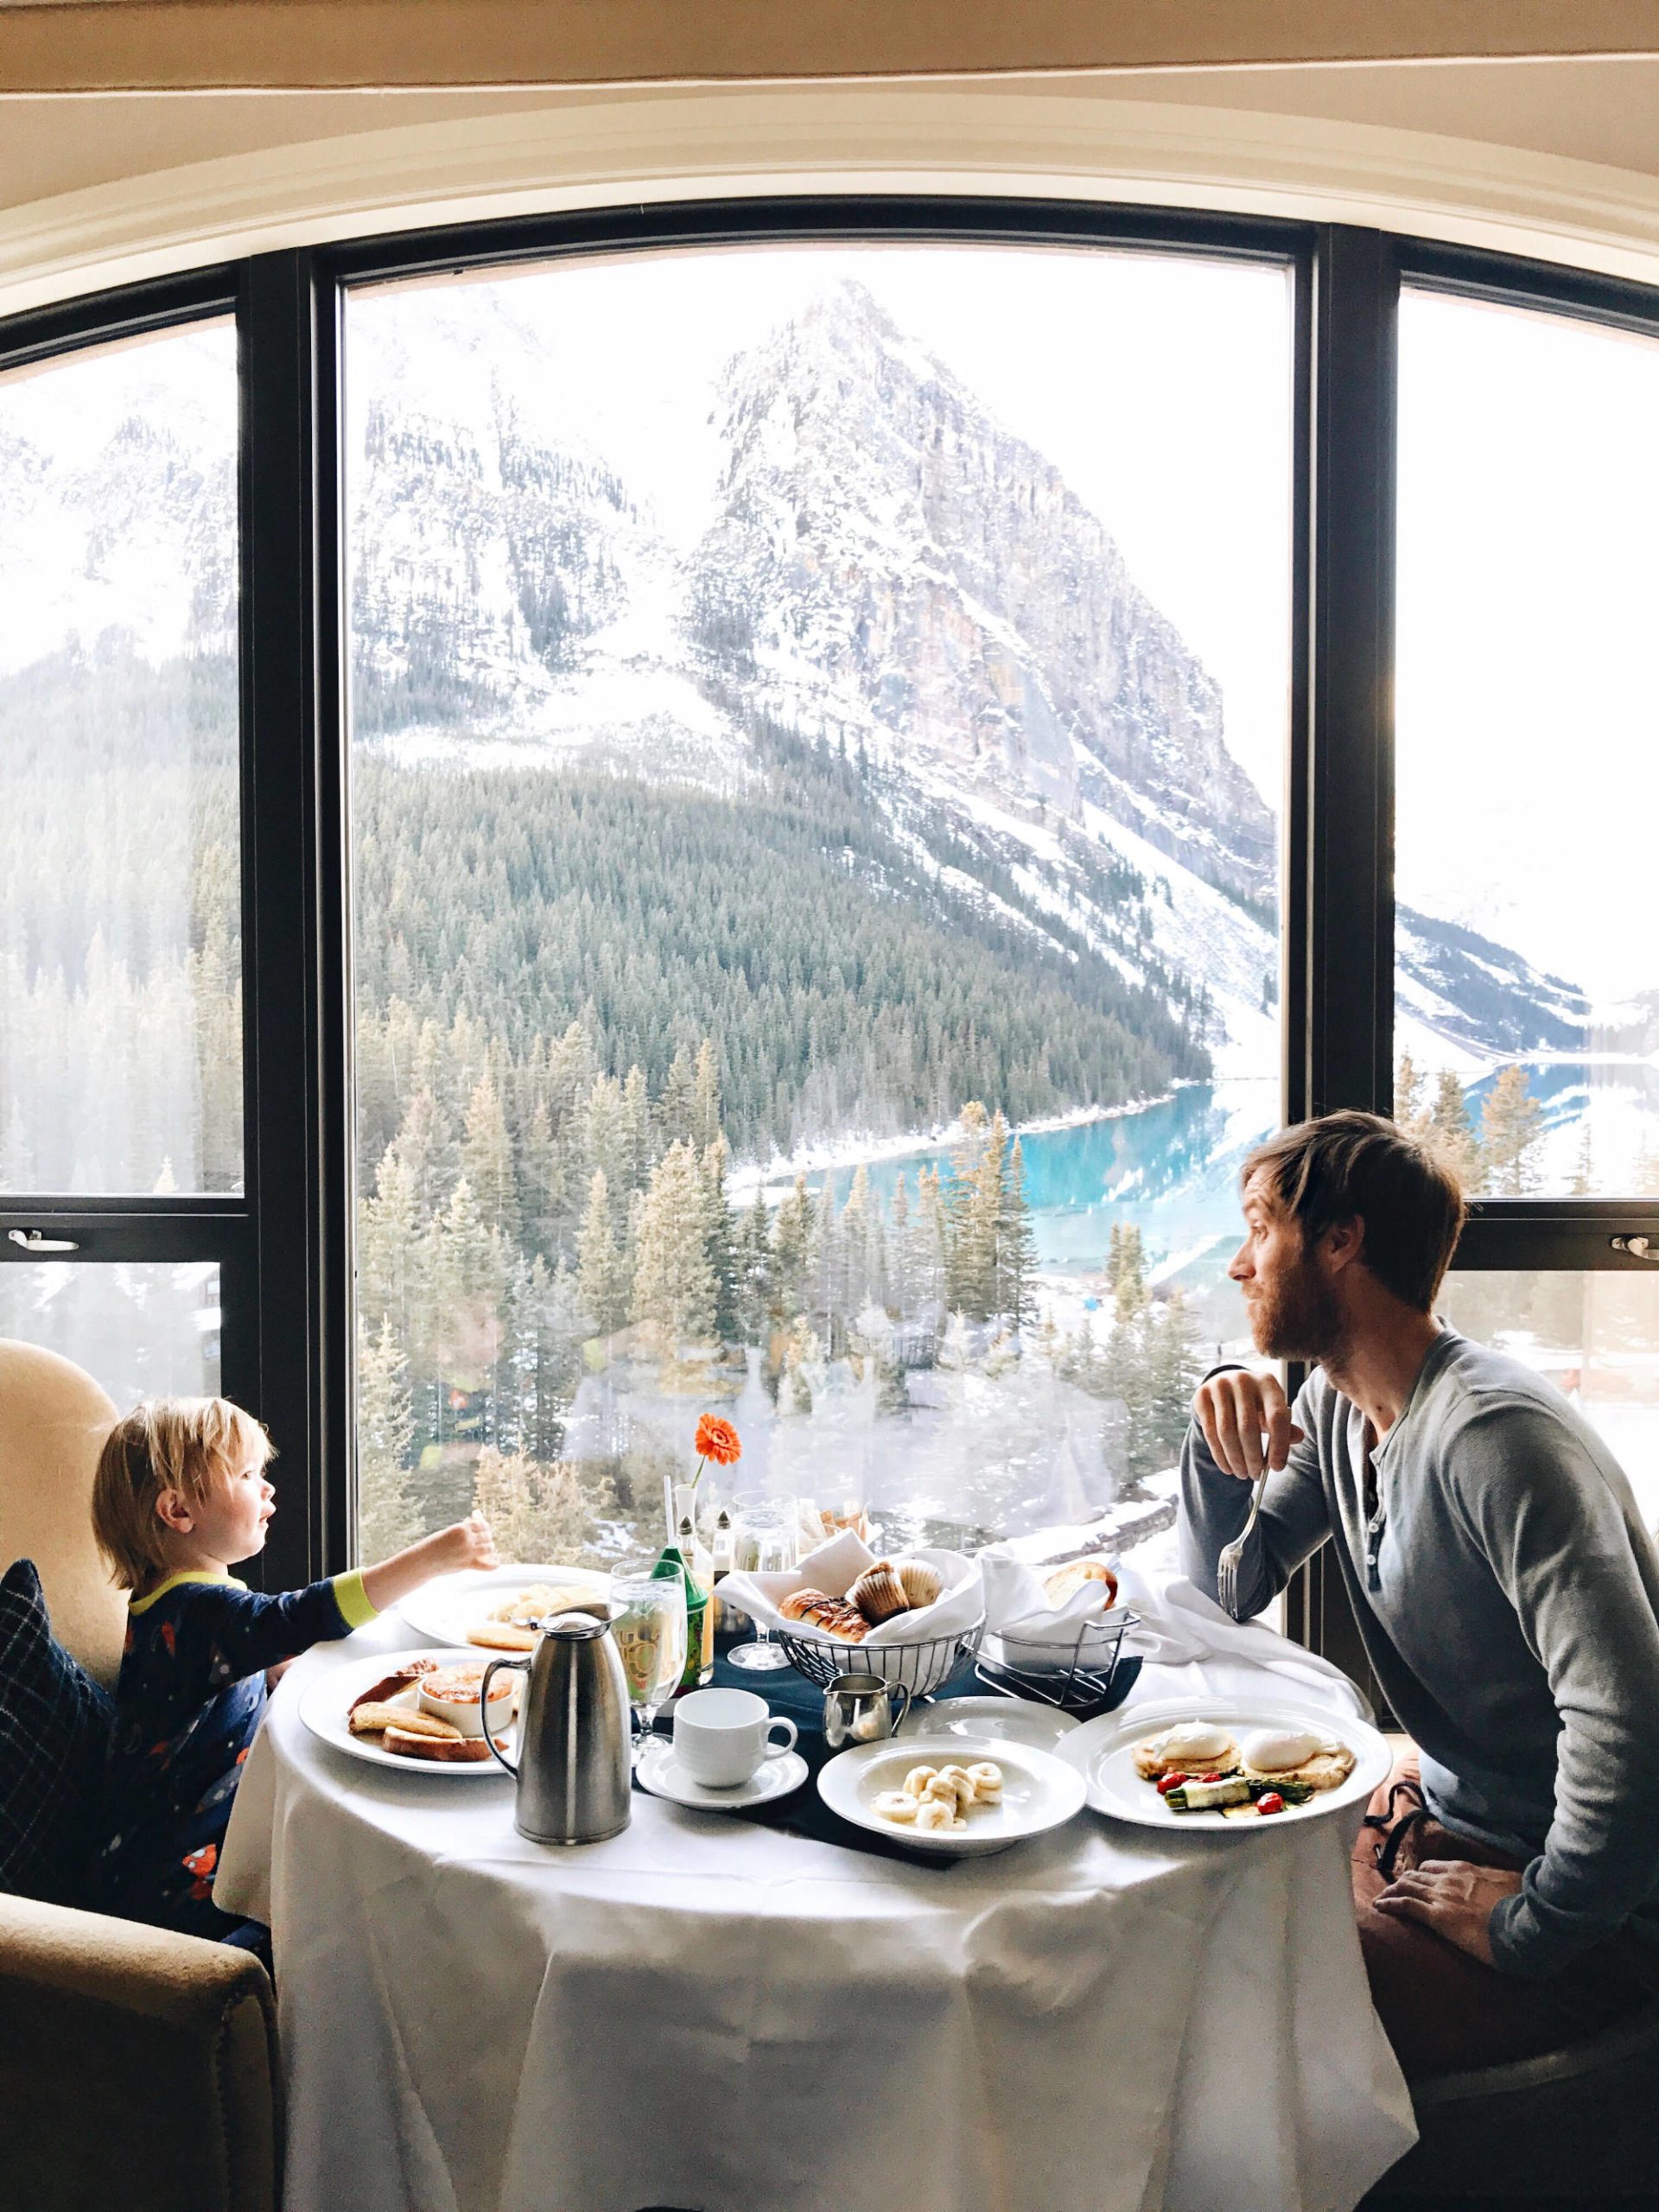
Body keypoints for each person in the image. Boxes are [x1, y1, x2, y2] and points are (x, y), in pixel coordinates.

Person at [1179, 1109, 1659, 2077]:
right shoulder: (1338, 1403)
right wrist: (1217, 1446)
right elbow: (1224, 1596)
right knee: (1209, 1882)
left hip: (1597, 1899)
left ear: (1341, 1239)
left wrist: (1533, 1925)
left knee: (1246, 1997)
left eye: (1258, 1227)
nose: (1239, 1264)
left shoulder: (1496, 1441)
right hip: (1461, 1812)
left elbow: (1633, 1719)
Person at [92, 1395, 497, 1950]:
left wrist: (274, 1669)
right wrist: (435, 1557)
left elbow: (234, 1661)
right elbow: (301, 1617)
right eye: (247, 1474)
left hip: (159, 1860)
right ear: (179, 1512)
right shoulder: (203, 1612)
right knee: (336, 1929)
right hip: (185, 1893)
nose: (268, 1488)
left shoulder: (170, 1599)